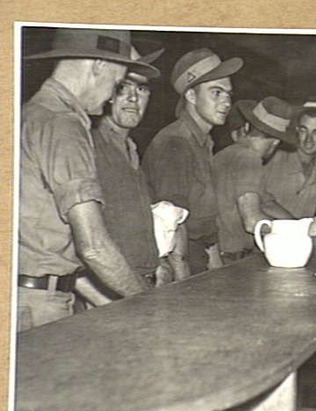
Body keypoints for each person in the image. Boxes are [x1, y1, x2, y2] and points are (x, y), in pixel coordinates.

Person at [18, 28, 158, 331]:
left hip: (28, 296)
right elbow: (93, 245)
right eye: (118, 84)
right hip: (38, 309)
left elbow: (52, 249)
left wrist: (114, 303)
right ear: (99, 66)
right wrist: (150, 302)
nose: (112, 98)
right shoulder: (64, 124)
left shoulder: (30, 114)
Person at [77, 51, 190, 306]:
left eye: (141, 89)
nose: (132, 98)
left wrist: (158, 264)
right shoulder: (88, 146)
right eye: (122, 87)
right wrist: (104, 301)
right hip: (108, 297)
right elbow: (78, 243)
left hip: (140, 289)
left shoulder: (132, 148)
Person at [143, 48, 243, 274]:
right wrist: (182, 285)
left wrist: (216, 267)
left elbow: (204, 221)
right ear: (191, 96)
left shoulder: (202, 141)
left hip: (200, 259)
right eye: (216, 93)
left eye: (228, 94)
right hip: (180, 265)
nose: (226, 102)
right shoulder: (175, 144)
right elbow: (171, 223)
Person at [212, 97, 316, 265]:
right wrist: (300, 232)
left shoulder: (226, 154)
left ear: (247, 127)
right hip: (232, 259)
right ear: (276, 142)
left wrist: (299, 224)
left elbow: (267, 203)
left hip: (218, 254)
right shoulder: (249, 158)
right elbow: (252, 221)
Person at [263, 97, 316, 233]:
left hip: (300, 245)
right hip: (265, 243)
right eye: (304, 130)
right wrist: (301, 227)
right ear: (297, 129)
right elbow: (260, 201)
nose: (308, 140)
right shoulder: (273, 158)